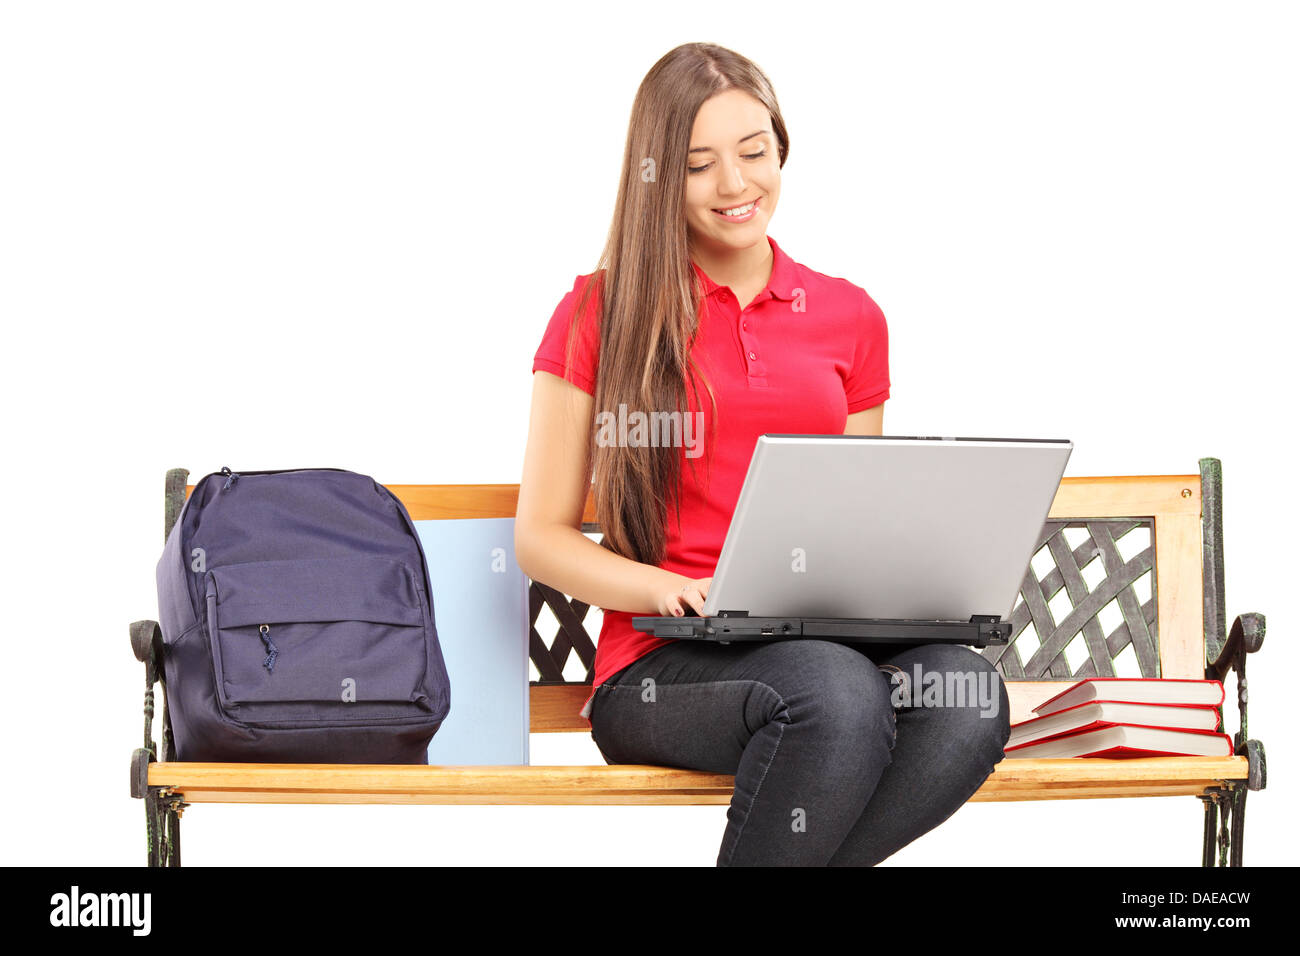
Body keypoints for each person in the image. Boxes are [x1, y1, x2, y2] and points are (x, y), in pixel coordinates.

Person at [515, 42, 1010, 866]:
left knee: (968, 696)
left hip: (822, 653)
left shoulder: (850, 317)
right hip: (662, 666)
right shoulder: (599, 312)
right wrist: (665, 588)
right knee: (837, 696)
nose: (737, 185)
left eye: (755, 152)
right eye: (700, 164)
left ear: (783, 148)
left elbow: (859, 517)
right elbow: (542, 538)